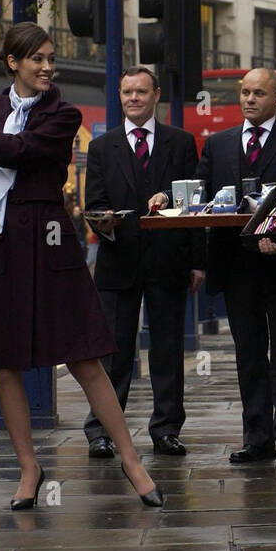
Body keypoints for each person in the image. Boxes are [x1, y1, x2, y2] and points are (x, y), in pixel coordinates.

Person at [0, 22, 165, 509]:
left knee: (84, 357)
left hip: (52, 246)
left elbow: (19, 152)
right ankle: (28, 467)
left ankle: (132, 459)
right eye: (38, 59)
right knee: (6, 364)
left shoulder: (62, 114)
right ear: (13, 62)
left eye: (51, 58)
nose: (48, 66)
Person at [179, 68, 276, 465]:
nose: (250, 99)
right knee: (249, 354)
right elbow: (200, 195)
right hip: (236, 265)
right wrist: (170, 200)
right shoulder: (217, 144)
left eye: (259, 93)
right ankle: (257, 438)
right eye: (245, 93)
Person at [82, 66, 205, 460]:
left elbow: (194, 203)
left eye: (140, 92)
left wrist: (198, 262)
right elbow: (94, 204)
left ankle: (166, 430)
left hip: (169, 261)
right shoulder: (102, 147)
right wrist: (105, 221)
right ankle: (102, 430)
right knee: (112, 353)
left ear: (156, 95)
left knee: (167, 350)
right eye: (126, 92)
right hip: (118, 261)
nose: (133, 98)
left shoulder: (180, 142)